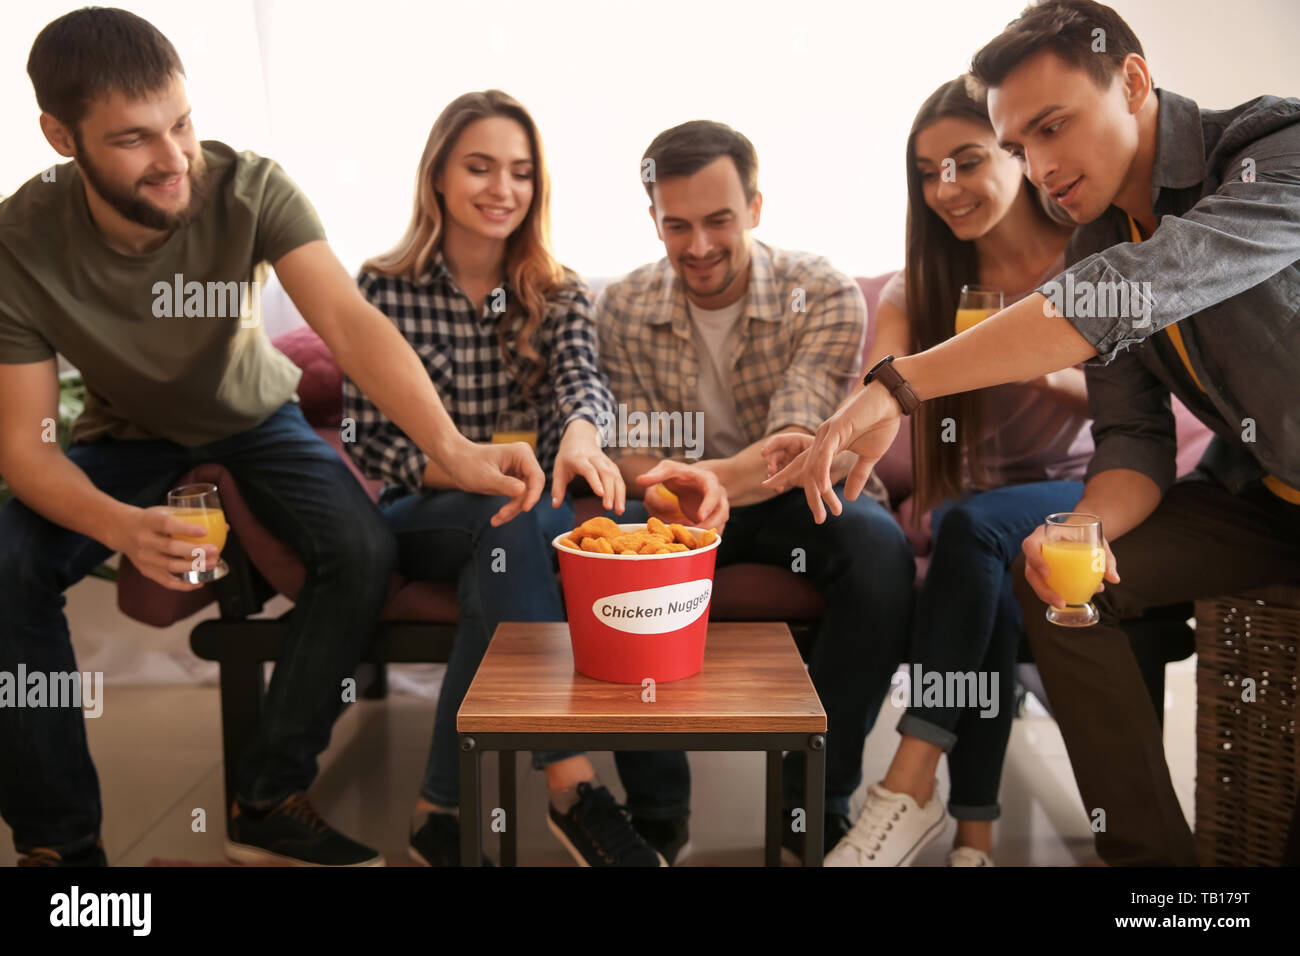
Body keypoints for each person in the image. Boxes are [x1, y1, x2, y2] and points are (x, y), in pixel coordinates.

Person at [0, 9, 541, 869]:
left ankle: (267, 796)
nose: (175, 158)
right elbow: (27, 448)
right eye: (135, 139)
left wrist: (453, 449)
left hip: (255, 418)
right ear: (60, 135)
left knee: (361, 554)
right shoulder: (20, 242)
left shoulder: (251, 188)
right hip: (126, 435)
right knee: (8, 564)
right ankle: (60, 844)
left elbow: (351, 326)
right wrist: (122, 528)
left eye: (181, 122)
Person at [769, 0, 1300, 866]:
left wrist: (896, 387)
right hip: (1258, 499)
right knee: (1058, 585)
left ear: (1130, 80)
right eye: (1023, 147)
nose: (1043, 167)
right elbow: (1132, 441)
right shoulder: (1090, 239)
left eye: (1053, 128)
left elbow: (1142, 286)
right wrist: (1085, 527)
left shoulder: (1274, 152)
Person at [767, 75, 1091, 867]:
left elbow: (1131, 402)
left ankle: (908, 784)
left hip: (1080, 486)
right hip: (978, 510)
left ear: (1017, 156)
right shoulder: (922, 286)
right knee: (977, 550)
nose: (946, 188)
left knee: (972, 530)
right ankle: (974, 837)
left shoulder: (1087, 260)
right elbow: (887, 388)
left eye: (968, 161)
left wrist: (1034, 363)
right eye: (928, 171)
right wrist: (826, 440)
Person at [343, 90, 663, 867]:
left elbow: (582, 385)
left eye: (520, 172)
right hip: (426, 509)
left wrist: (584, 437)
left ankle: (438, 816)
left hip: (533, 511)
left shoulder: (557, 287)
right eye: (479, 167)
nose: (502, 189)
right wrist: (459, 463)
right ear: (439, 179)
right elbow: (370, 437)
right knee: (511, 523)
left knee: (515, 538)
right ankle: (571, 784)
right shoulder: (384, 285)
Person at [596, 120, 916, 865]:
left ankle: (813, 799)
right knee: (615, 572)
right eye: (677, 225)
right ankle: (656, 815)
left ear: (756, 208)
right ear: (653, 219)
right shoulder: (622, 307)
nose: (699, 246)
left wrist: (713, 476)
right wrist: (684, 490)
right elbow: (640, 455)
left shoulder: (824, 291)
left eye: (719, 221)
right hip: (673, 505)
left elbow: (797, 451)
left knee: (878, 554)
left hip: (787, 498)